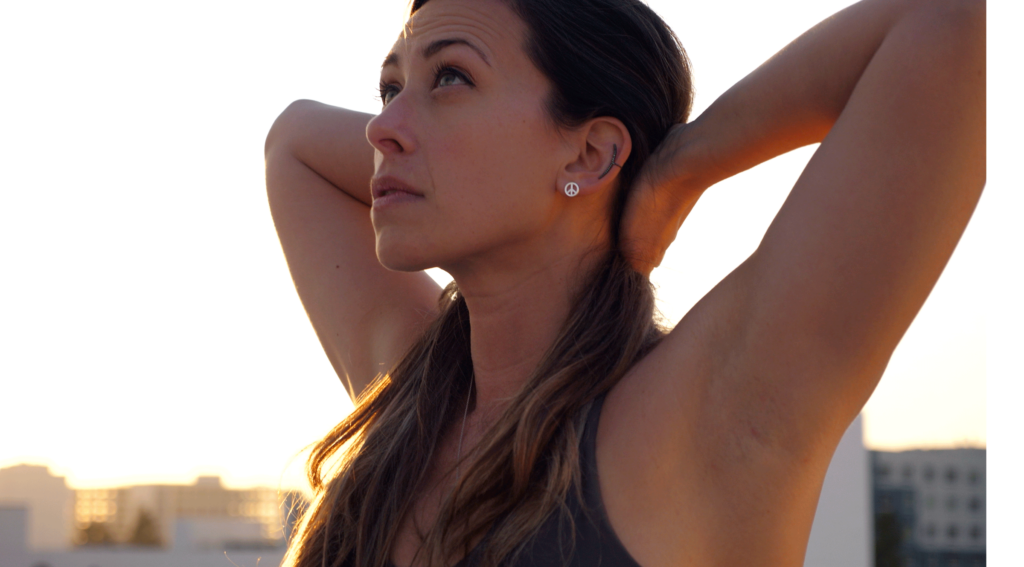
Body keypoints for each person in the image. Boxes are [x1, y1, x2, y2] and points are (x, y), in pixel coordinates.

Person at [264, 0, 986, 565]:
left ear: (592, 147)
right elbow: (292, 141)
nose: (381, 126)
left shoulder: (703, 418)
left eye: (450, 77)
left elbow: (957, 26)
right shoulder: (414, 402)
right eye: (390, 87)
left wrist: (681, 166)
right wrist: (435, 154)